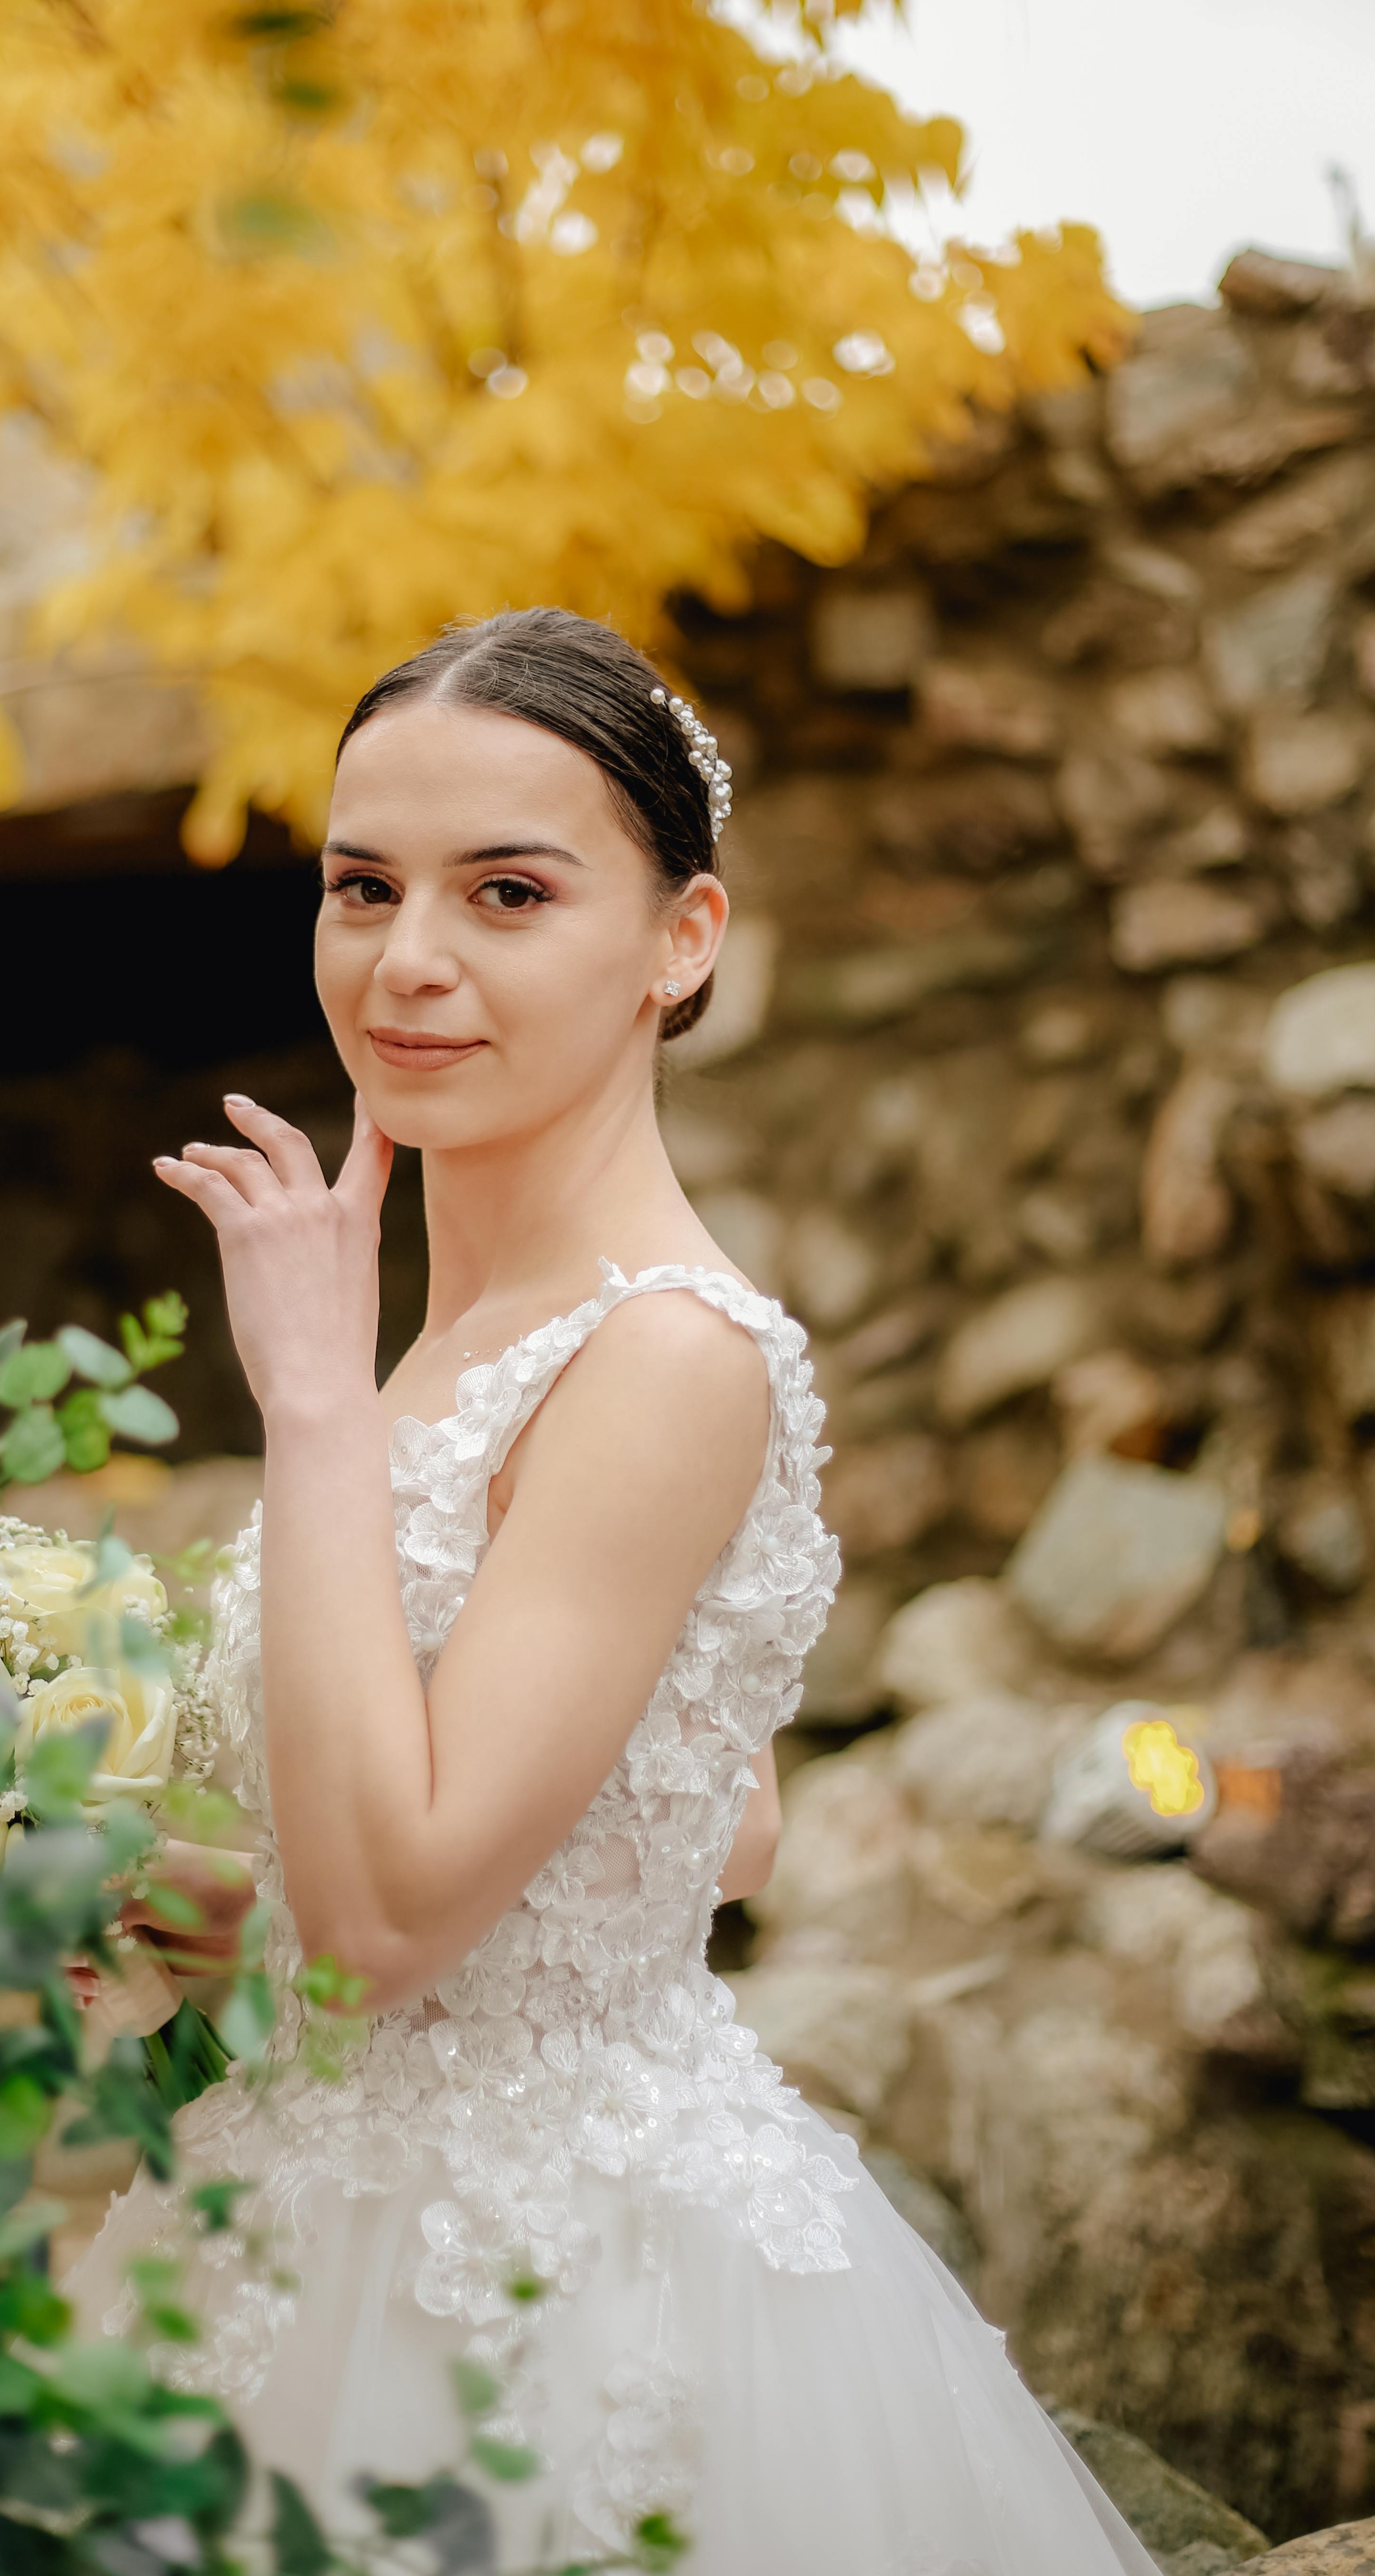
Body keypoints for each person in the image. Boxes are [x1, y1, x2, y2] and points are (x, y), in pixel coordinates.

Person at [67, 609, 1160, 2574]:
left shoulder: (662, 1358)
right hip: (294, 2215)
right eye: (361, 887)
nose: (409, 960)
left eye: (508, 892)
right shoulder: (464, 1334)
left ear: (683, 936)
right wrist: (106, 1884)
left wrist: (309, 1408)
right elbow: (715, 1824)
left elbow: (392, 1921)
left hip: (541, 2301)